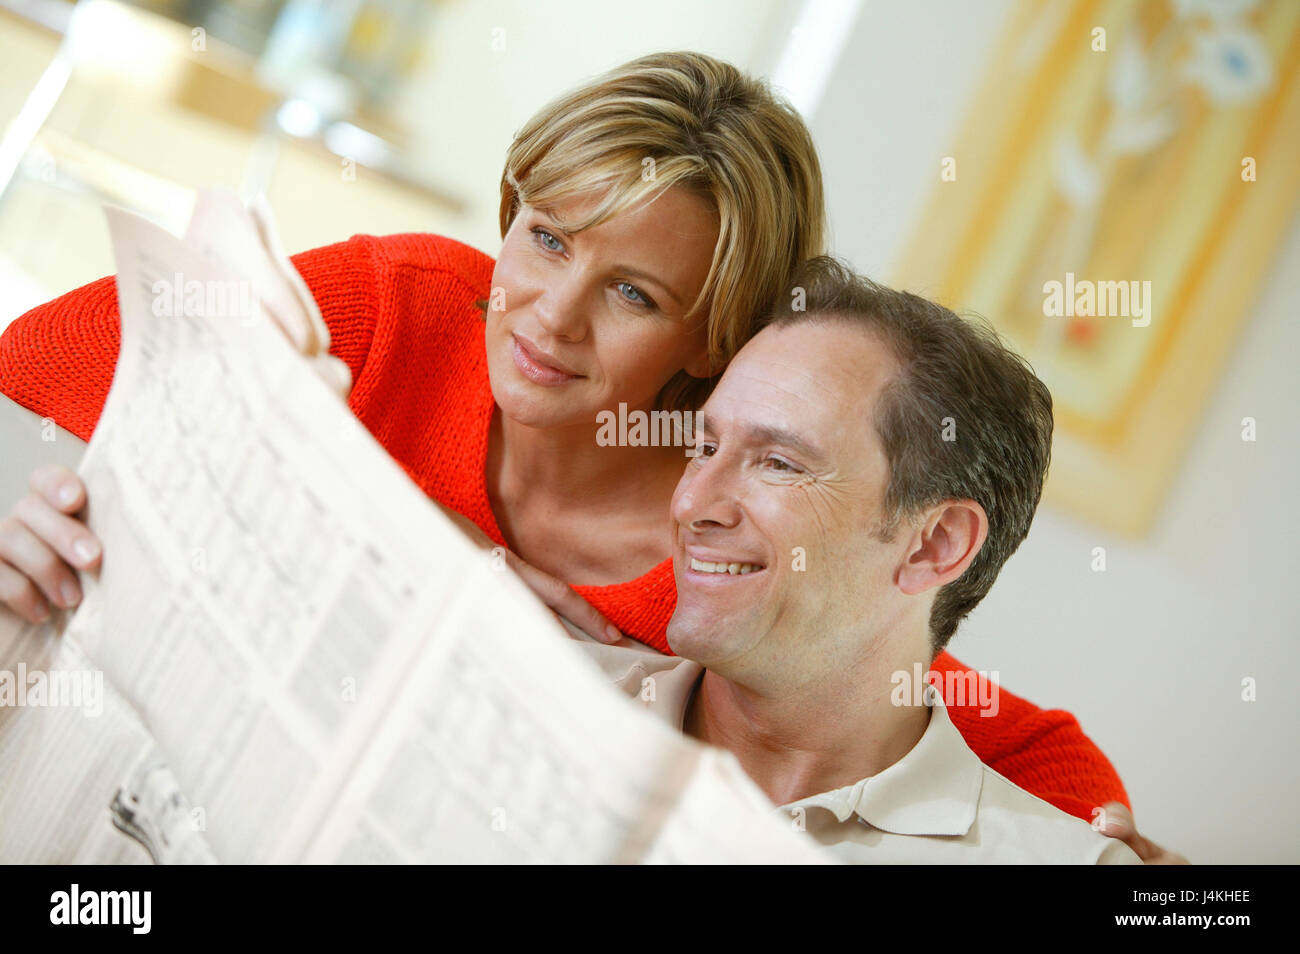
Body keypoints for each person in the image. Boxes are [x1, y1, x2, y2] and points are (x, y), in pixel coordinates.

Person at [0, 50, 1167, 856]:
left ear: (711, 333)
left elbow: (960, 712)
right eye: (545, 237)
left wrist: (1118, 857)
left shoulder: (721, 559)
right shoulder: (406, 302)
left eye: (631, 292)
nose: (548, 316)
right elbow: (42, 372)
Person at [579, 257, 1144, 862]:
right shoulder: (533, 696)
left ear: (935, 544)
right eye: (705, 447)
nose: (691, 503)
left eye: (779, 463)